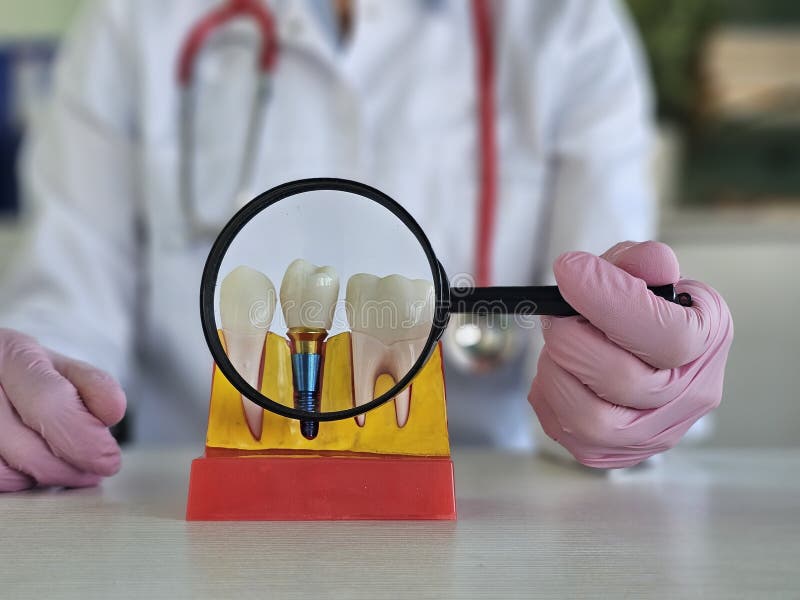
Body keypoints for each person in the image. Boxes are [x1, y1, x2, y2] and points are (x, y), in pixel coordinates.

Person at [0, 0, 732, 492]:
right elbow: (70, 304)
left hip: (483, 515)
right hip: (190, 501)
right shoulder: (135, 21)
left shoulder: (568, 25)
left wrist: (637, 379)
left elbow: (612, 319)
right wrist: (31, 384)